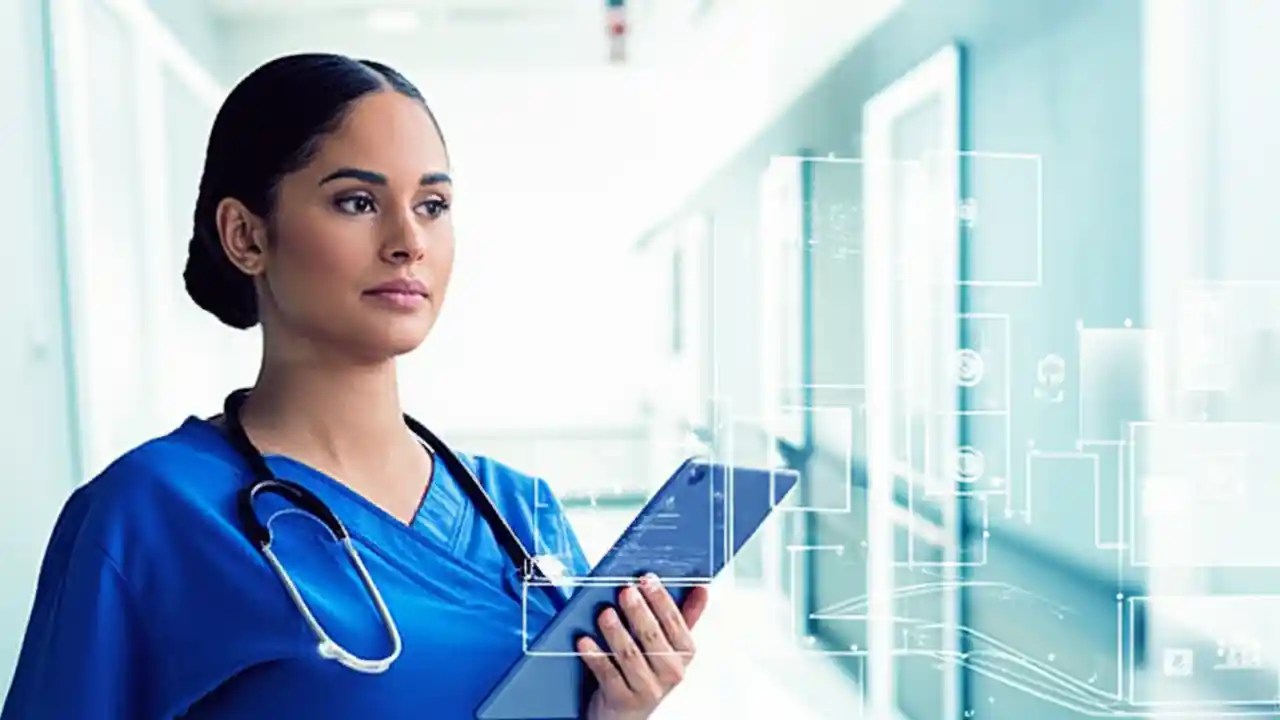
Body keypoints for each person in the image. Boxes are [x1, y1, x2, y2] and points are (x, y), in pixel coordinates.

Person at [1, 53, 708, 719]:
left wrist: (615, 711)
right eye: (357, 203)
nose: (409, 240)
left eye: (432, 205)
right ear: (246, 236)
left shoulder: (521, 511)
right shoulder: (151, 515)